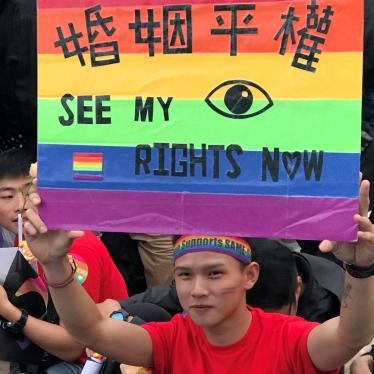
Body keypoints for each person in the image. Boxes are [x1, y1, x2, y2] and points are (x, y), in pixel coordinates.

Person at [21, 177, 374, 373]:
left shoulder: (291, 339)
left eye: (215, 273)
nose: (198, 290)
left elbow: (350, 337)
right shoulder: (171, 340)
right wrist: (54, 263)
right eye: (185, 275)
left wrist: (360, 268)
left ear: (250, 276)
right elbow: (89, 331)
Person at [0, 149, 129, 372]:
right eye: (7, 196)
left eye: (28, 192)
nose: (20, 205)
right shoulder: (20, 242)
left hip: (101, 359)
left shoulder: (75, 245)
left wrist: (10, 312)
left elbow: (74, 346)